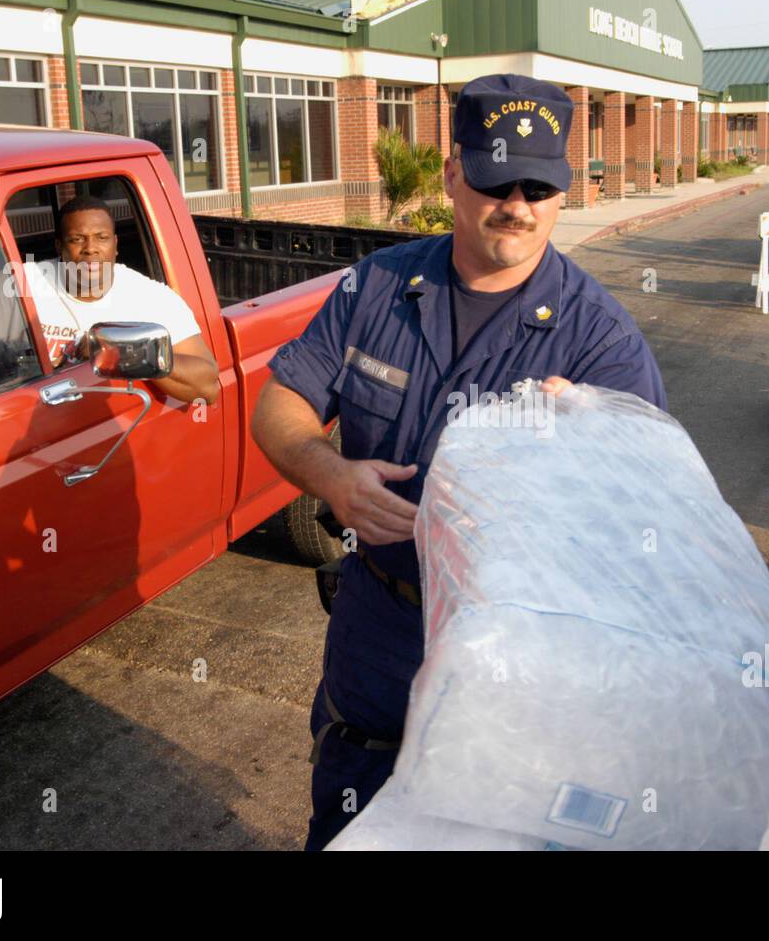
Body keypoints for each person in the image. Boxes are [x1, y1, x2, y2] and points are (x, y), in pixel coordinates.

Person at [251, 73, 667, 850]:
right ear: (451, 175)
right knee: (347, 826)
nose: (516, 204)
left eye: (539, 186)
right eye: (494, 179)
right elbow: (279, 406)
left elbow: (648, 520)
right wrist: (331, 476)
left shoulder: (599, 340)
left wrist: (581, 447)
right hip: (378, 629)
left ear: (563, 193)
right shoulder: (376, 285)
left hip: (512, 658)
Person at [0, 195, 219, 405]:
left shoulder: (151, 299)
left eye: (100, 237)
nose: (90, 249)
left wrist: (129, 354)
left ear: (115, 245)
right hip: (27, 422)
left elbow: (208, 385)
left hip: (109, 438)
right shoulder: (24, 282)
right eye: (77, 240)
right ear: (60, 247)